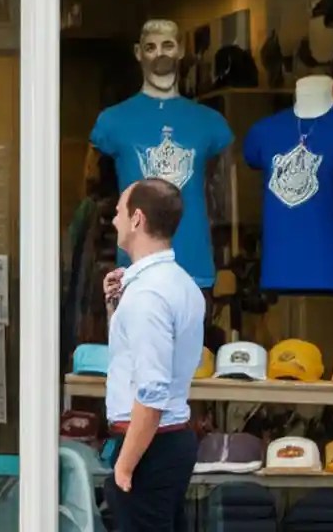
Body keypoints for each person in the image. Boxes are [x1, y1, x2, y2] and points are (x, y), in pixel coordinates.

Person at [101, 178, 205, 531]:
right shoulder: (181, 284)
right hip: (166, 441)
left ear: (137, 219)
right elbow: (137, 356)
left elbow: (152, 390)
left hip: (150, 446)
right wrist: (116, 307)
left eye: (119, 211)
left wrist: (125, 464)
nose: (114, 219)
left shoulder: (148, 295)